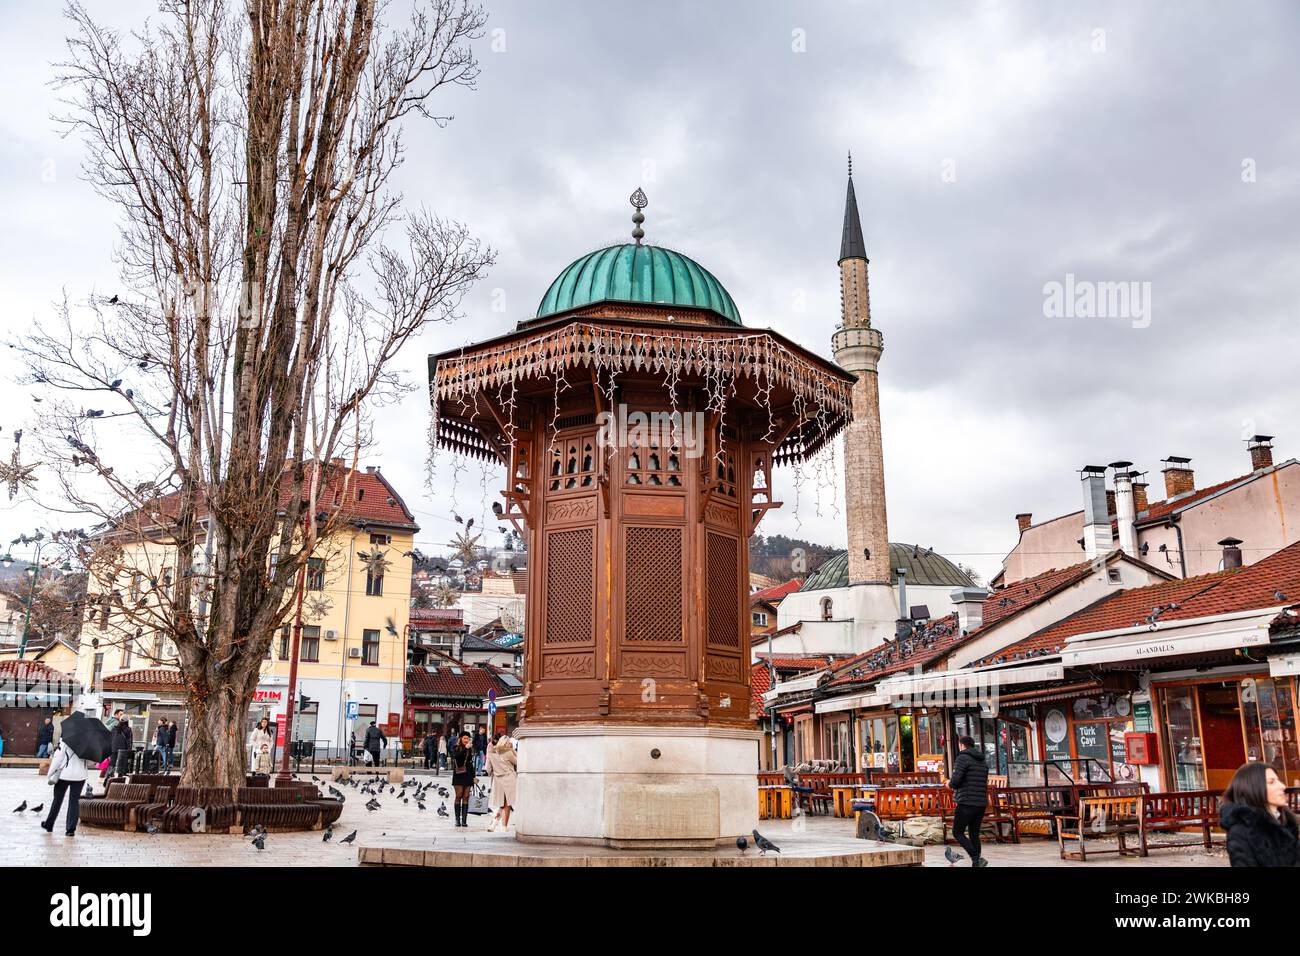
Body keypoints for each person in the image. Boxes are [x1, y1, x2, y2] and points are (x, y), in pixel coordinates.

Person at [1220, 761, 1300, 867]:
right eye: (1272, 782)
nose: (1282, 786)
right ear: (1253, 788)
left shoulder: (1286, 823)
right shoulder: (1242, 831)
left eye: (1279, 780)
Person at [946, 736, 990, 868]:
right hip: (981, 803)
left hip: (966, 802)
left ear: (962, 745)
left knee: (957, 832)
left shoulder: (962, 758)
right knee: (974, 834)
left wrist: (949, 783)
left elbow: (956, 781)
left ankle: (976, 858)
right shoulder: (982, 761)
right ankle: (976, 863)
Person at [42, 739, 89, 836]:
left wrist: (50, 774)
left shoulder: (65, 740)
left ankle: (49, 824)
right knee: (74, 801)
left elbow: (58, 758)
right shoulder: (87, 741)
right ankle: (70, 829)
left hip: (64, 775)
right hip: (80, 776)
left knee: (57, 800)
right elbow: (90, 761)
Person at [487, 733, 518, 832]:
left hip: (498, 781)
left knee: (502, 804)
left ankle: (494, 823)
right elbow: (519, 762)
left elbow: (488, 769)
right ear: (506, 743)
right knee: (507, 804)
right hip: (509, 779)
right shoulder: (509, 753)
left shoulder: (491, 754)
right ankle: (504, 826)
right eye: (509, 743)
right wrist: (513, 751)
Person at [451, 732, 476, 827]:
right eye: (465, 738)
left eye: (468, 738)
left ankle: (464, 820)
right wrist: (465, 749)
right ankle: (457, 820)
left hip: (468, 774)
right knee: (458, 796)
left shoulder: (469, 749)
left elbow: (470, 762)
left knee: (466, 797)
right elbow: (457, 757)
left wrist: (474, 776)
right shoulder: (456, 747)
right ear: (460, 738)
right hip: (459, 774)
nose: (466, 740)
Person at [109, 710, 134, 776]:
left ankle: (109, 775)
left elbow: (110, 738)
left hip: (113, 748)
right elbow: (129, 740)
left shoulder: (114, 728)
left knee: (112, 763)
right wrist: (129, 749)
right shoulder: (128, 729)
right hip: (123, 749)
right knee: (122, 763)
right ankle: (121, 776)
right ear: (127, 721)